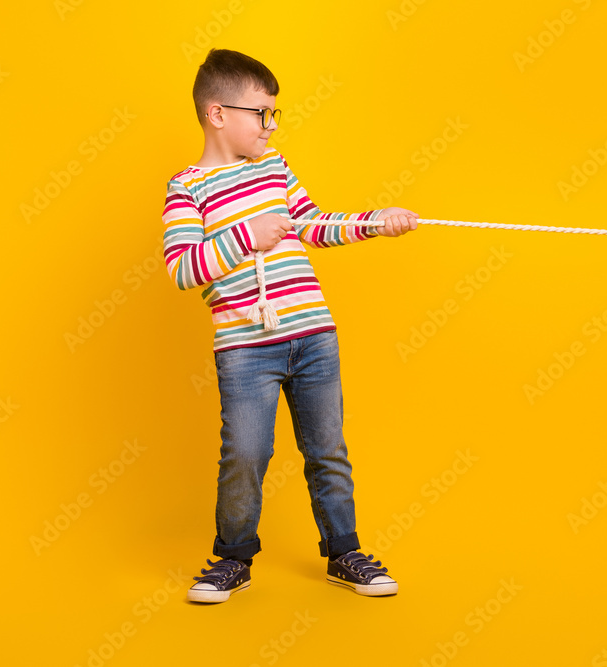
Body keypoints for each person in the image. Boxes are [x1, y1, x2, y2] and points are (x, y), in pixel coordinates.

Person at [163, 48, 418, 604]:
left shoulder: (274, 169)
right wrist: (246, 236)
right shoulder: (186, 188)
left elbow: (315, 226)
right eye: (262, 113)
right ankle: (232, 559)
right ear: (217, 114)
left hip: (313, 338)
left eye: (273, 113)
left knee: (327, 450)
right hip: (245, 350)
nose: (271, 125)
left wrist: (375, 222)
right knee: (246, 454)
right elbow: (182, 268)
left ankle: (344, 553)